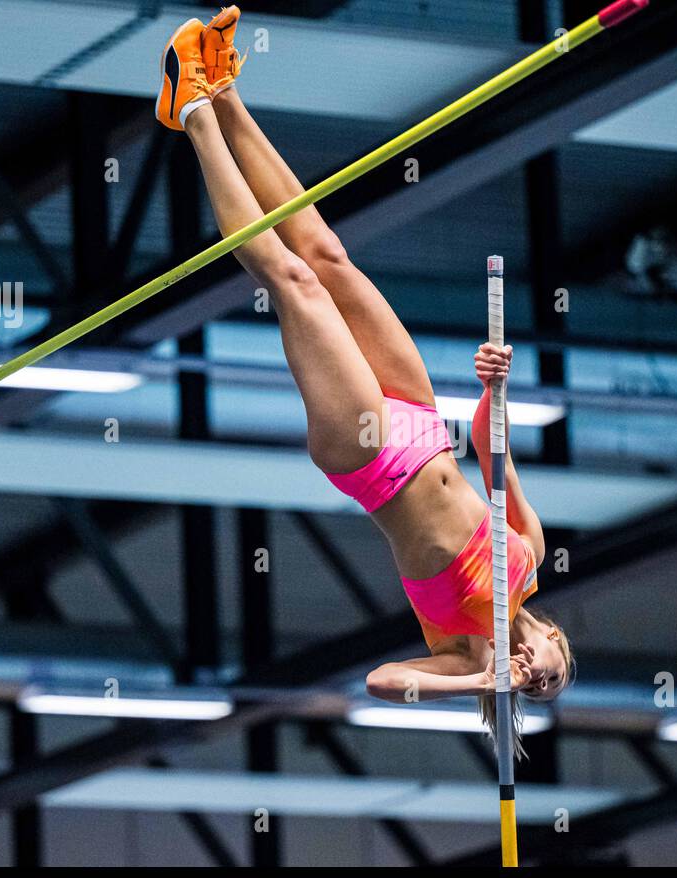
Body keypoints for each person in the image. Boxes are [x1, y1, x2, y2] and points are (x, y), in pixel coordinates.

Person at [155, 7, 572, 750]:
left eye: (534, 689)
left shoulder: (459, 653)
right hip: (422, 418)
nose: (534, 676)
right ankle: (221, 92)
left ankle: (191, 114)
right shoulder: (532, 553)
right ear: (557, 644)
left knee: (293, 282)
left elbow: (381, 680)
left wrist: (481, 684)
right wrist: (492, 387)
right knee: (327, 255)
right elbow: (489, 452)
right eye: (549, 673)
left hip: (372, 460)